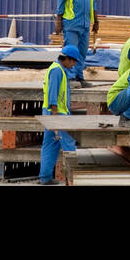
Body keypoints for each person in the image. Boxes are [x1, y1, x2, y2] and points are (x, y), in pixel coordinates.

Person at [38, 46, 81, 184]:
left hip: (50, 113)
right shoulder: (57, 71)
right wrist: (55, 115)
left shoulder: (57, 68)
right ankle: (75, 179)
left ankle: (45, 178)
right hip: (57, 114)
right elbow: (52, 94)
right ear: (67, 59)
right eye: (73, 61)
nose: (74, 65)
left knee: (50, 145)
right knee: (69, 144)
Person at [52, 0, 97, 83]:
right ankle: (70, 78)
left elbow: (93, 2)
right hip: (71, 23)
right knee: (71, 51)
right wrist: (59, 22)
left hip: (85, 24)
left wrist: (96, 20)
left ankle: (79, 77)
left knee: (82, 52)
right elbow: (60, 3)